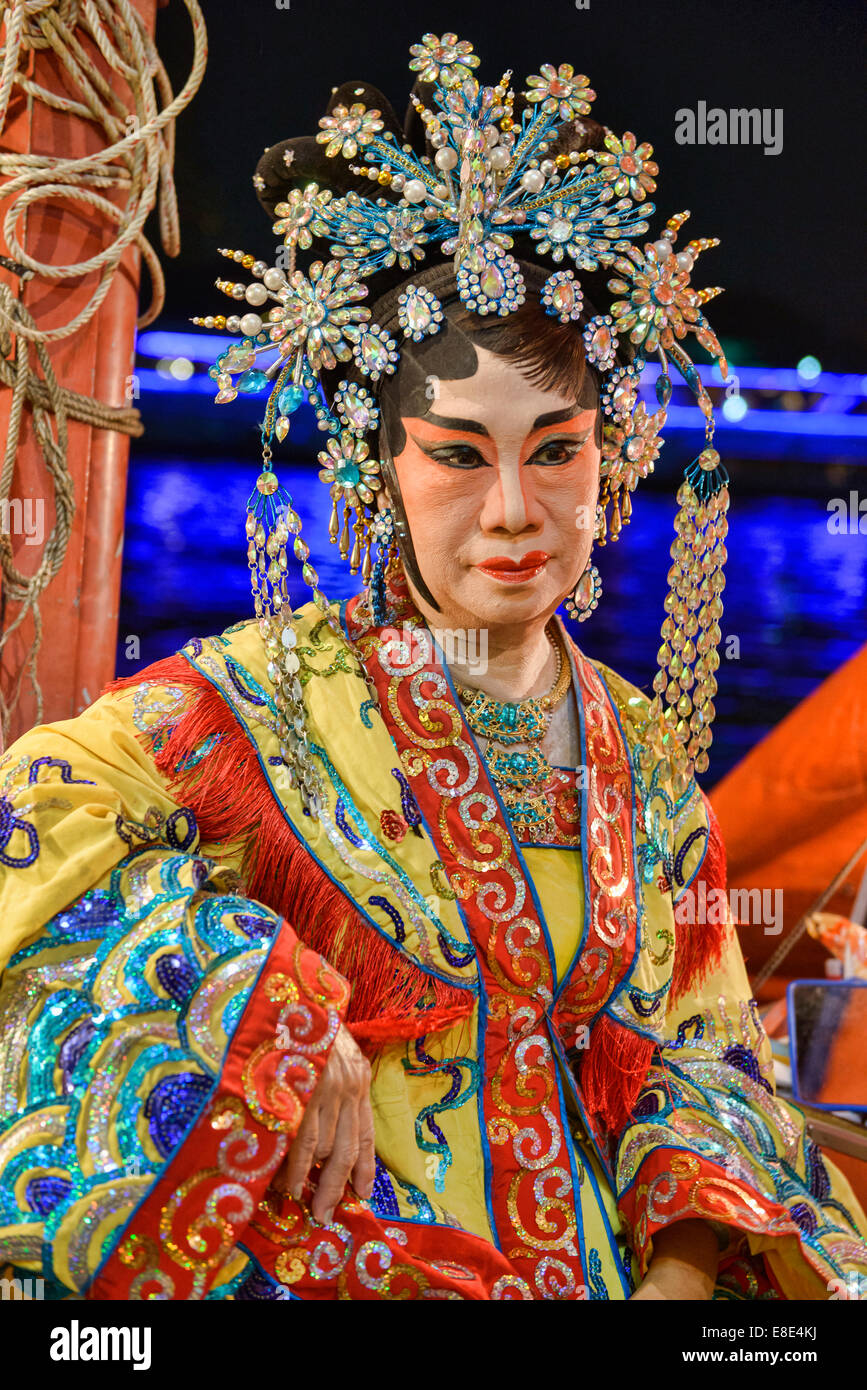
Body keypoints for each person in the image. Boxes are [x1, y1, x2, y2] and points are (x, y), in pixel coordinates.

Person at [0, 34, 865, 1302]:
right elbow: (25, 824)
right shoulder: (254, 707)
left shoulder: (642, 756)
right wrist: (253, 992)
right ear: (377, 467)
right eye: (459, 456)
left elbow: (701, 1060)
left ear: (611, 455)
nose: (515, 512)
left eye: (556, 452)